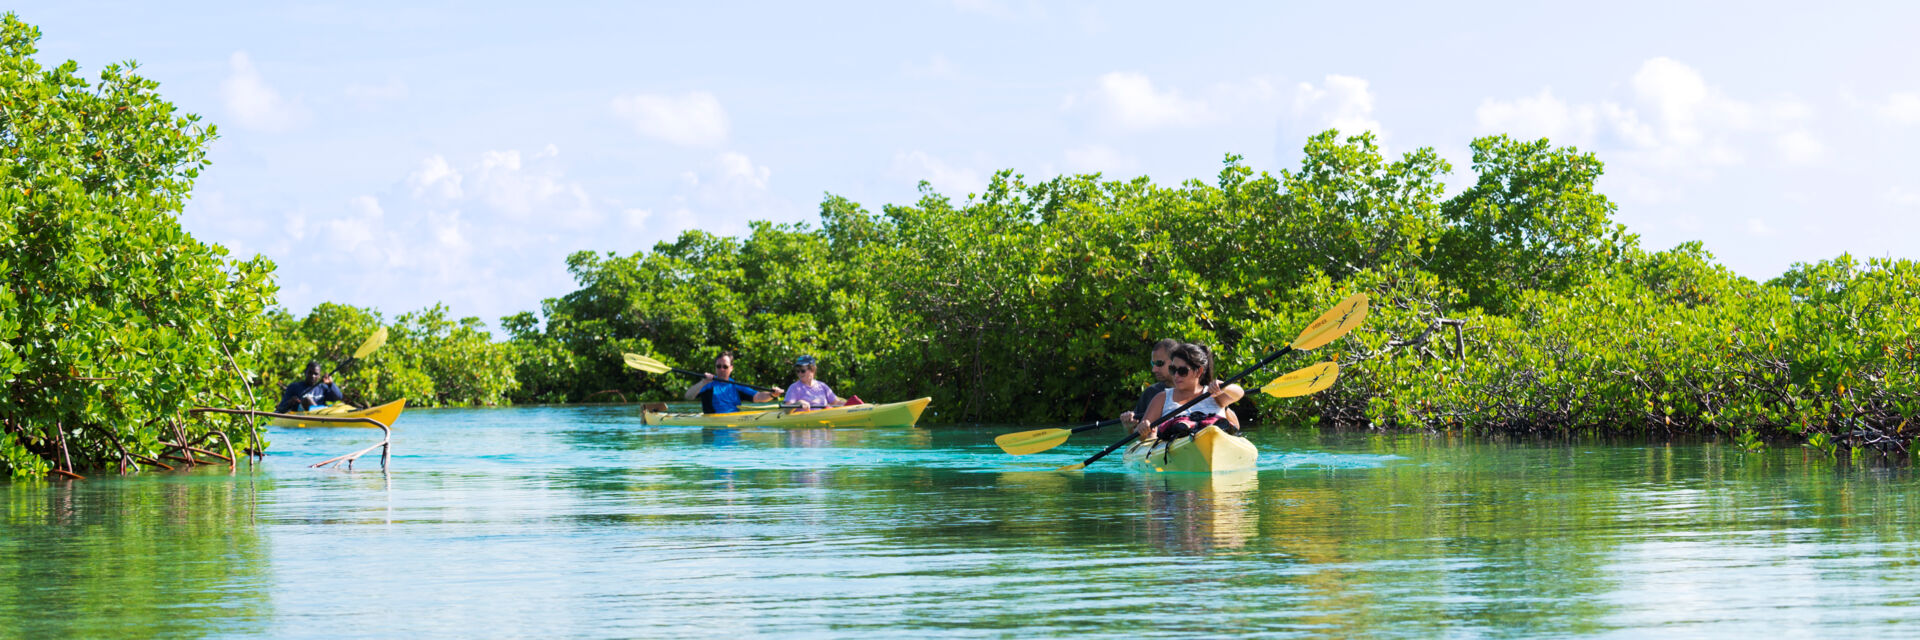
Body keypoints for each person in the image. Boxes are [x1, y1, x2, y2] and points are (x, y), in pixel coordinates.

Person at [1134, 342, 1246, 441]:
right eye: (1173, 370)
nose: (1176, 375)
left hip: (1215, 442)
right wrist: (1144, 429)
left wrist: (1224, 387)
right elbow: (1140, 436)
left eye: (1182, 371)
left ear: (1198, 372)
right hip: (1177, 449)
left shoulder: (1214, 394)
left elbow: (1240, 393)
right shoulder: (1161, 398)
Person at [1117, 339, 1181, 434]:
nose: (1154, 369)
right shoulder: (1151, 392)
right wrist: (1129, 427)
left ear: (1175, 361)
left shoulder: (1200, 390)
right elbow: (1136, 435)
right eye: (1152, 364)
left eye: (1159, 363)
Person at [684, 352, 780, 413]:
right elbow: (688, 396)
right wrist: (702, 382)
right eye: (718, 366)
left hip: (734, 430)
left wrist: (772, 394)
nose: (721, 369)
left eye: (725, 367)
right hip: (713, 431)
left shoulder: (736, 386)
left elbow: (758, 397)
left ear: (731, 368)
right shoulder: (708, 384)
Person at [276, 360, 344, 413]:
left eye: (315, 374)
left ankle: (318, 415)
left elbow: (338, 397)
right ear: (305, 372)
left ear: (319, 376)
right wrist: (290, 402)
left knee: (340, 405)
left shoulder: (323, 388)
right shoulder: (294, 387)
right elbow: (281, 408)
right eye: (310, 373)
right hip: (301, 416)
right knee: (307, 400)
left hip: (320, 416)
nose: (312, 376)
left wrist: (331, 384)